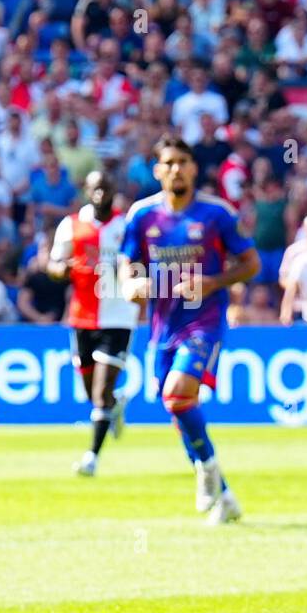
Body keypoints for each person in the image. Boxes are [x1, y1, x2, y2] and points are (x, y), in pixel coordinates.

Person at [119, 135, 260, 524]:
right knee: (177, 409)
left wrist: (213, 283)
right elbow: (127, 263)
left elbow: (250, 264)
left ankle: (208, 469)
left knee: (177, 392)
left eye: (184, 161)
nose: (177, 169)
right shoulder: (141, 215)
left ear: (194, 168)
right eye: (169, 162)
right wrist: (132, 283)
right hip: (163, 325)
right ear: (157, 170)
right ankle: (224, 495)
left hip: (204, 320)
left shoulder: (216, 214)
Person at [48, 171, 138, 476]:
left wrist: (131, 273)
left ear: (114, 191)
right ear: (87, 191)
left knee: (99, 394)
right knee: (92, 393)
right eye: (95, 188)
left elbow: (141, 264)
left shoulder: (126, 226)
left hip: (119, 316)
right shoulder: (70, 225)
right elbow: (53, 263)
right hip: (82, 317)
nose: (100, 193)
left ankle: (92, 457)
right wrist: (59, 270)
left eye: (106, 188)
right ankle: (115, 405)